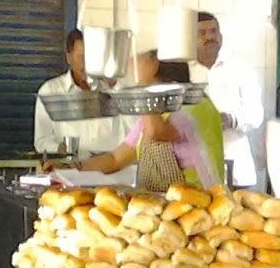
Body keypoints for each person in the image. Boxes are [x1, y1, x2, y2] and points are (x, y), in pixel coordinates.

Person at [72, 53, 221, 191]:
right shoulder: (156, 112)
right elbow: (115, 160)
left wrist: (144, 81)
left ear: (153, 63)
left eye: (135, 59)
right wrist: (72, 167)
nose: (129, 67)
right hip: (169, 207)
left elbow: (156, 132)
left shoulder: (193, 103)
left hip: (202, 204)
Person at [33, 28, 126, 158]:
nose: (87, 64)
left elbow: (134, 133)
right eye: (82, 57)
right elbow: (42, 141)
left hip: (113, 171)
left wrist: (115, 87)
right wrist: (59, 148)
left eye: (93, 57)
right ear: (69, 58)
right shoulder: (51, 92)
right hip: (72, 169)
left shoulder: (114, 90)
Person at [195, 11, 263, 187]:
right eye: (202, 33)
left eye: (213, 31)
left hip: (236, 168)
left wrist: (231, 120)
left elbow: (256, 115)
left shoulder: (241, 69)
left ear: (221, 36)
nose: (209, 37)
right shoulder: (183, 71)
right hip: (195, 170)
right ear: (191, 39)